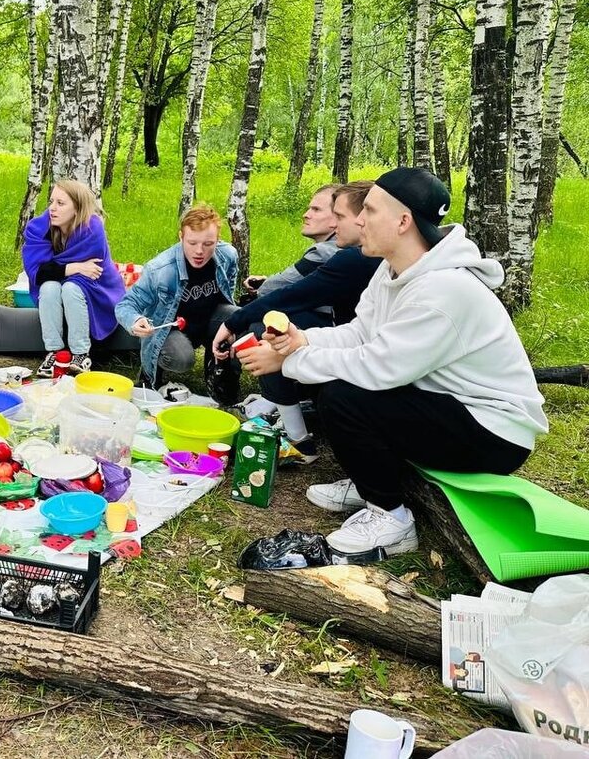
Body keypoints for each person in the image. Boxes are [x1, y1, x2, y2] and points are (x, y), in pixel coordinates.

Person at [240, 168, 548, 555]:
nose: (358, 220)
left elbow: (378, 367)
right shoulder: (392, 270)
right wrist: (299, 342)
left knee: (344, 395)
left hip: (494, 432)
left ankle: (391, 517)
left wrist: (287, 363)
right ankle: (370, 478)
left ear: (403, 221)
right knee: (336, 381)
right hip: (445, 403)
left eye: (368, 210)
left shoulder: (443, 290)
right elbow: (359, 333)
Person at [211, 181, 380, 459]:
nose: (336, 225)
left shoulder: (352, 259)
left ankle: (299, 439)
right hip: (355, 343)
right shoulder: (371, 259)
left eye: (339, 216)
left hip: (370, 368)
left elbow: (287, 295)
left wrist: (234, 323)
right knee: (280, 331)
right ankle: (286, 406)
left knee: (266, 330)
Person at [115, 205, 240, 401]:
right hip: (170, 329)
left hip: (208, 320)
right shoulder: (160, 269)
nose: (199, 251)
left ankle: (218, 371)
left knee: (238, 318)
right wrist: (135, 321)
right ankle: (150, 372)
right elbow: (126, 305)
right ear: (181, 237)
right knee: (182, 359)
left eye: (208, 244)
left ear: (218, 240)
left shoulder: (228, 255)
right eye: (192, 243)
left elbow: (229, 290)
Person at [22, 179, 125, 376]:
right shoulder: (39, 228)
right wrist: (74, 267)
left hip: (97, 285)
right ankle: (55, 351)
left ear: (77, 208)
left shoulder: (91, 228)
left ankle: (81, 353)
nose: (52, 209)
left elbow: (94, 270)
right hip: (67, 278)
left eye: (61, 204)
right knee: (48, 287)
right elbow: (38, 272)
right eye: (51, 202)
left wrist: (62, 269)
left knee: (71, 288)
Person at [241, 184, 339, 299]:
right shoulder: (344, 247)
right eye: (309, 209)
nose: (306, 215)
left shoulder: (323, 252)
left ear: (338, 216)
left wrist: (261, 287)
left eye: (316, 210)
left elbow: (280, 285)